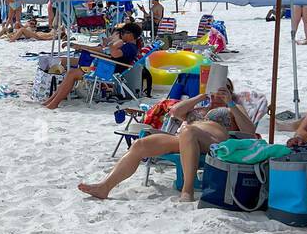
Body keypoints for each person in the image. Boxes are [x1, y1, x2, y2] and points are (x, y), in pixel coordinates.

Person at [77, 80, 255, 201]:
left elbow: (249, 131)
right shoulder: (200, 107)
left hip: (214, 142)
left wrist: (230, 103)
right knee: (140, 145)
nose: (218, 94)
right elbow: (175, 112)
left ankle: (187, 190)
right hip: (183, 138)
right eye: (215, 89)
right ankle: (104, 187)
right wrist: (202, 96)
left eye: (223, 89)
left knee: (189, 131)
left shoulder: (233, 107)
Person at [44, 22, 144, 109]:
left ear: (131, 35)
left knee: (72, 74)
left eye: (123, 33)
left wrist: (111, 44)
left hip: (107, 72)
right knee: (71, 72)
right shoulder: (129, 46)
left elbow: (115, 54)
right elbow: (112, 54)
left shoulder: (130, 47)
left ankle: (54, 103)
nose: (121, 35)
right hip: (106, 68)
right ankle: (51, 101)